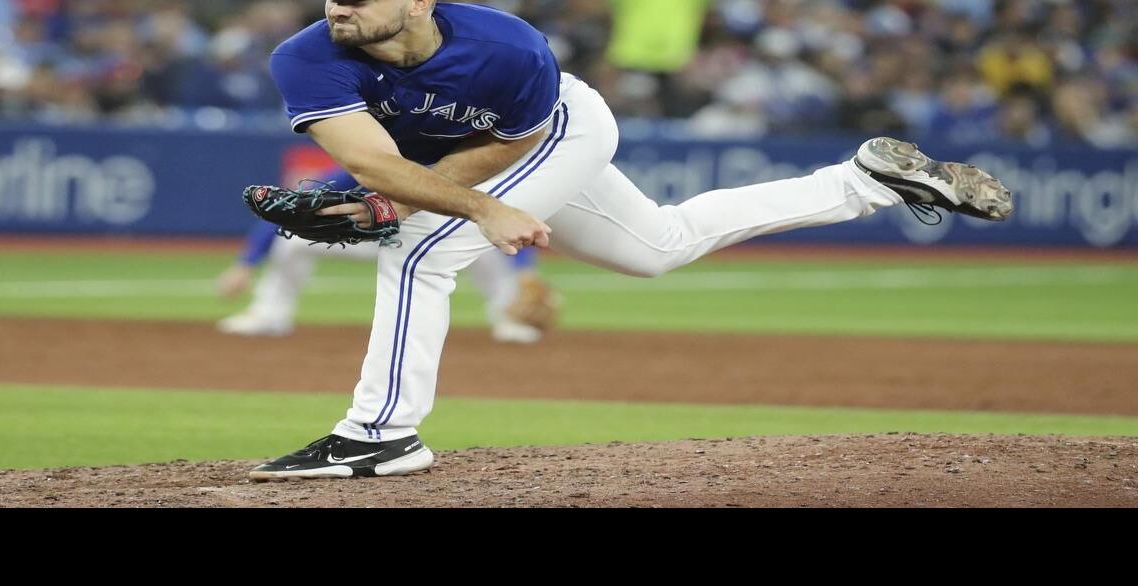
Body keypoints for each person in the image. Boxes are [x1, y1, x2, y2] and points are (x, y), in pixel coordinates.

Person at [248, 0, 1012, 480]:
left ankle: (380, 435)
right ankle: (863, 182)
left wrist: (468, 208)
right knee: (657, 247)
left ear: (418, 2)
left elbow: (515, 144)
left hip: (559, 130)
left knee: (419, 253)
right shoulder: (308, 54)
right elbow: (369, 160)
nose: (338, 5)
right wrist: (390, 198)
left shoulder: (506, 46)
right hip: (480, 157)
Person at [216, 171, 558, 344]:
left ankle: (509, 317)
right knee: (291, 242)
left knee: (479, 246)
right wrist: (245, 264)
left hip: (426, 235)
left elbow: (496, 216)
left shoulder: (450, 167)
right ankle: (270, 313)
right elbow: (290, 209)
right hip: (370, 237)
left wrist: (524, 271)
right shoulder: (364, 167)